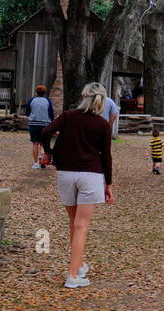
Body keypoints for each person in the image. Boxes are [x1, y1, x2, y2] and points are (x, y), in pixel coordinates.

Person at [41, 82, 115, 290]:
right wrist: (108, 184)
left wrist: (49, 153)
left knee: (74, 222)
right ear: (102, 100)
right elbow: (106, 156)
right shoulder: (102, 124)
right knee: (82, 225)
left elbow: (46, 132)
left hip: (65, 173)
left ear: (84, 97)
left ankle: (79, 264)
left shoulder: (68, 116)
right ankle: (72, 275)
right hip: (90, 174)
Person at [26, 84, 56, 168]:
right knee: (42, 144)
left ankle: (36, 163)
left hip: (33, 124)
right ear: (44, 92)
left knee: (35, 143)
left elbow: (27, 112)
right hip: (45, 125)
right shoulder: (48, 101)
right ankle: (43, 160)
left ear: (36, 92)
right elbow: (51, 113)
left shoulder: (32, 100)